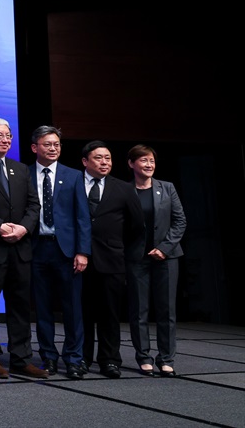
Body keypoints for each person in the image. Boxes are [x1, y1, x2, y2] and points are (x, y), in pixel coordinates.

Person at [0, 117, 47, 378]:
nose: (6, 140)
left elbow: (34, 205)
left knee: (20, 306)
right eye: (0, 136)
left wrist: (23, 228)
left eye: (9, 136)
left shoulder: (20, 169)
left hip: (20, 248)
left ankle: (21, 358)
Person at [28, 125, 91, 379]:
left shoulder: (74, 175)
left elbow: (82, 217)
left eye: (57, 144)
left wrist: (83, 251)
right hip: (36, 249)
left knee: (72, 308)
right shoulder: (24, 174)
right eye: (48, 144)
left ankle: (74, 358)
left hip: (66, 251)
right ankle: (48, 357)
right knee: (42, 308)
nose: (53, 148)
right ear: (35, 147)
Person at [80, 140, 144, 378]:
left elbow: (136, 226)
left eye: (107, 158)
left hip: (112, 259)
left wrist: (121, 250)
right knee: (82, 313)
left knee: (110, 314)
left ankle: (109, 360)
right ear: (85, 161)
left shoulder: (124, 188)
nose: (104, 162)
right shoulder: (73, 183)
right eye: (98, 158)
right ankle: (82, 358)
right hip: (79, 259)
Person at [126, 144, 186, 378]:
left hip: (166, 257)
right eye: (143, 160)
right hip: (136, 258)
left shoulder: (167, 188)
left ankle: (166, 359)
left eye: (151, 160)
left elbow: (180, 221)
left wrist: (164, 248)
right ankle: (143, 357)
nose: (149, 164)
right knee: (139, 310)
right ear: (131, 164)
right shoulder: (125, 190)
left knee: (166, 310)